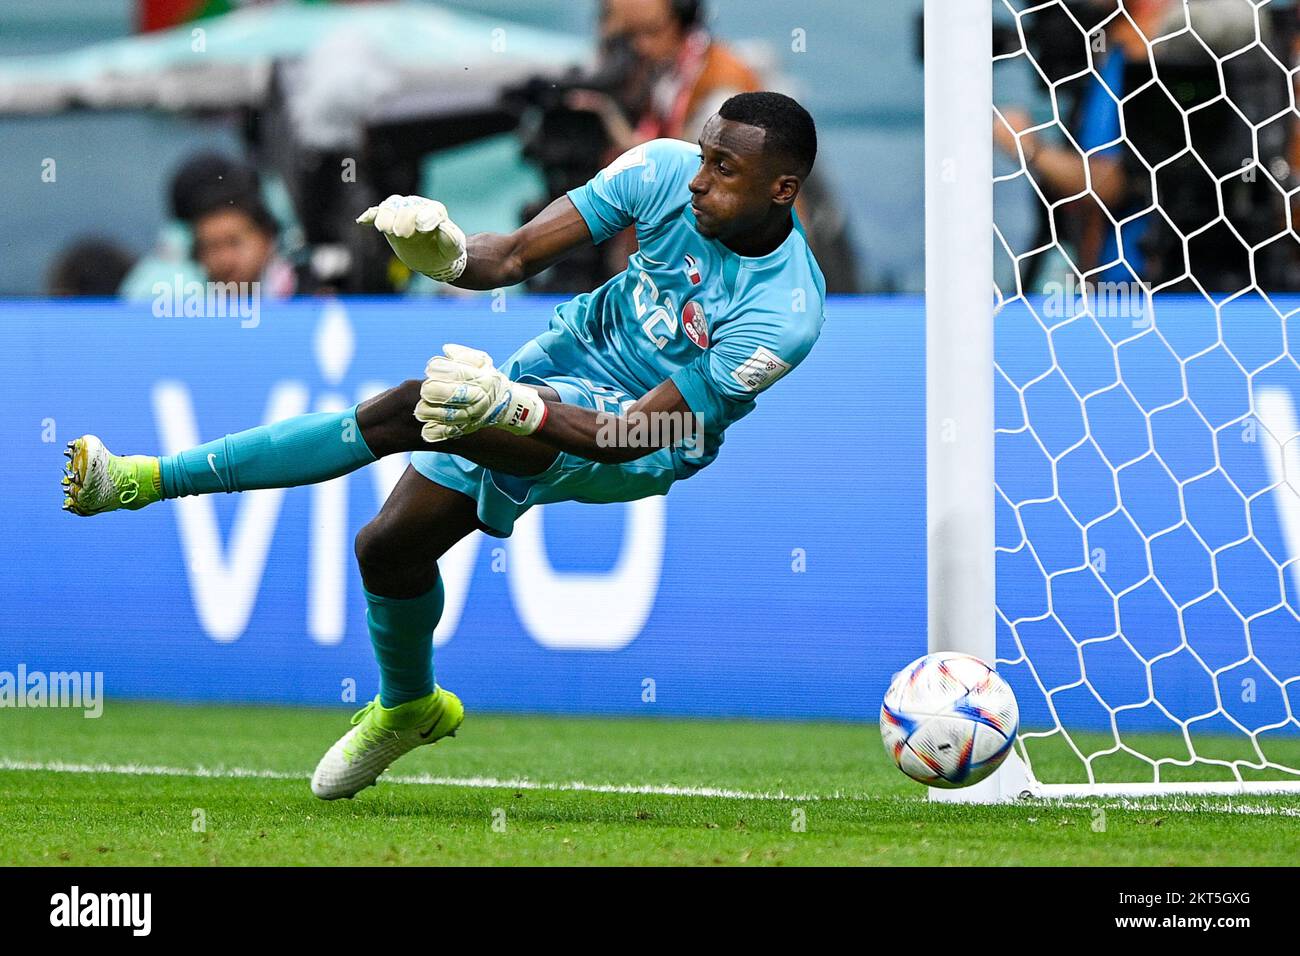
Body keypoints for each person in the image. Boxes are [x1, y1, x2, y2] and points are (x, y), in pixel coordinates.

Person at [60, 92, 826, 800]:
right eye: (702, 156)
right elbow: (517, 256)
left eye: (723, 169)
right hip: (559, 366)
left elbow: (633, 435)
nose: (698, 180)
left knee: (409, 404)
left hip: (643, 436)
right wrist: (448, 254)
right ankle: (409, 708)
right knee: (386, 550)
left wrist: (515, 410)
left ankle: (143, 480)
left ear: (781, 190)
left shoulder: (785, 313)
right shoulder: (659, 171)